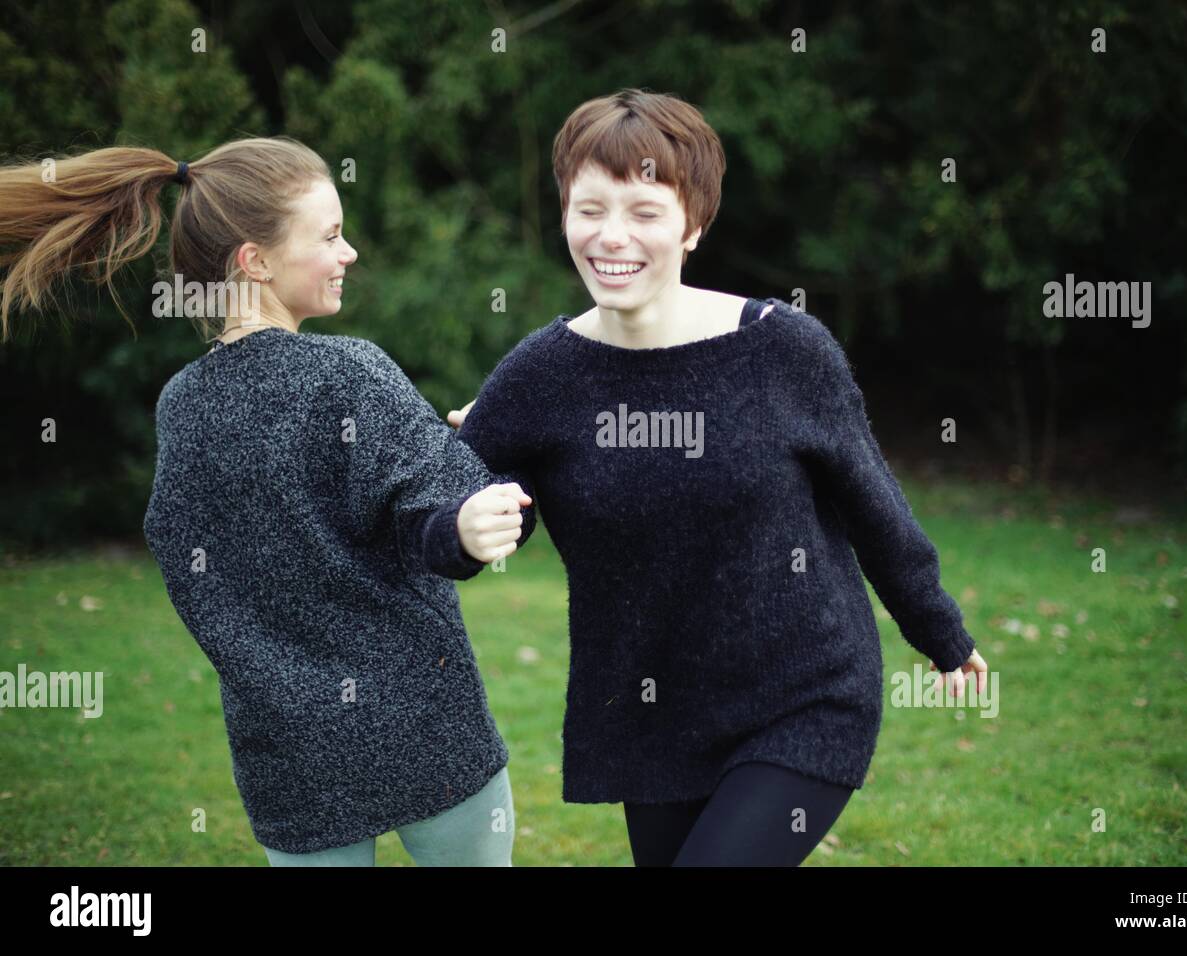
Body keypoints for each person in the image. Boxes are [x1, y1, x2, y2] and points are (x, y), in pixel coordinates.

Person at [446, 89, 990, 866]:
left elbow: (872, 503)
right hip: (650, 708)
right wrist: (474, 524)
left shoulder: (784, 351)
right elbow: (460, 504)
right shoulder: (539, 376)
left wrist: (937, 629)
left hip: (804, 693)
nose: (611, 236)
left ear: (693, 223)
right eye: (589, 209)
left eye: (644, 211)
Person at [0, 136, 535, 865]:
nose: (350, 253)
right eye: (331, 235)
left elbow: (189, 564)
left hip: (286, 757)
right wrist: (478, 493)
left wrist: (279, 681)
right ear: (254, 260)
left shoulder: (182, 405)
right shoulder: (350, 371)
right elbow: (445, 516)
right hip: (424, 726)